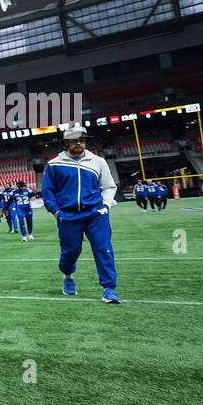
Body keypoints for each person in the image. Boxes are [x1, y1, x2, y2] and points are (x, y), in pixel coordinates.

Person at [42, 128, 122, 304]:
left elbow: (109, 186)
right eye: (74, 140)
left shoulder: (98, 161)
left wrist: (105, 206)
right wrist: (56, 212)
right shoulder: (54, 164)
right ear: (66, 143)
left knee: (103, 248)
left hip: (95, 214)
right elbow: (48, 193)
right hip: (68, 216)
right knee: (71, 252)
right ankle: (68, 275)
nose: (79, 143)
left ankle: (109, 289)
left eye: (82, 140)